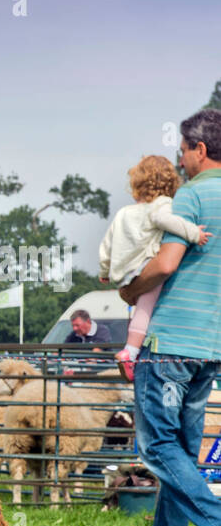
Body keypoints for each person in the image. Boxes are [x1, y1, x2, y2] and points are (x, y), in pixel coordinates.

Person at [119, 108, 221, 526]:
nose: (179, 159)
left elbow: (165, 264)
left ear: (200, 150)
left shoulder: (190, 198)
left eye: (183, 150)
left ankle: (217, 524)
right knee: (181, 449)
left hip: (169, 347)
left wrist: (129, 288)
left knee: (157, 446)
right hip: (212, 345)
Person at [98, 155, 212, 378]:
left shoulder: (124, 212)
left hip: (123, 271)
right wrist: (193, 232)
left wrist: (104, 270)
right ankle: (130, 352)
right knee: (147, 306)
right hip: (142, 267)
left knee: (139, 306)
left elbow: (106, 245)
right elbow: (166, 221)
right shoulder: (162, 205)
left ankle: (133, 345)